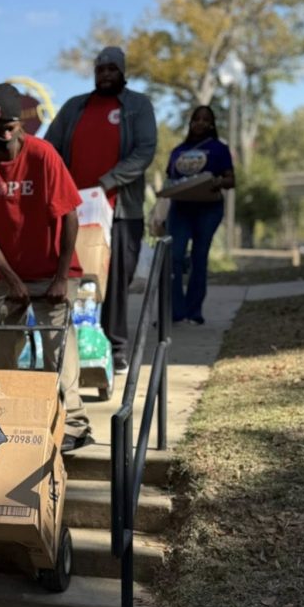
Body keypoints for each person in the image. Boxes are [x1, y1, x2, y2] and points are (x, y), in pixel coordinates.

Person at [0, 82, 92, 452]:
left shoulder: (43, 156)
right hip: (9, 274)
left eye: (10, 126)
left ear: (21, 123)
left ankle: (75, 424)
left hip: (54, 271)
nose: (4, 134)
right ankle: (2, 421)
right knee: (0, 351)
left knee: (58, 350)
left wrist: (61, 277)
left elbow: (69, 217)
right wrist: (11, 279)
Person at [45, 45, 157, 374]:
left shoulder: (138, 106)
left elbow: (145, 150)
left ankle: (117, 348)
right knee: (81, 280)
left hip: (121, 210)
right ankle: (77, 349)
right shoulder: (75, 107)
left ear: (122, 72)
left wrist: (107, 182)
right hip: (77, 211)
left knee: (116, 281)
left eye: (112, 68)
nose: (105, 74)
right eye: (100, 69)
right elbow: (51, 148)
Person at [164, 105, 235, 325]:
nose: (200, 123)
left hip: (208, 209)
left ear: (212, 124)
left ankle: (194, 312)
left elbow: (231, 181)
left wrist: (215, 181)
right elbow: (170, 180)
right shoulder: (178, 151)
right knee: (173, 257)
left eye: (206, 120)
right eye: (196, 119)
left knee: (198, 257)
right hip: (180, 208)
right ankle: (176, 311)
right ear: (190, 122)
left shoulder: (219, 149)